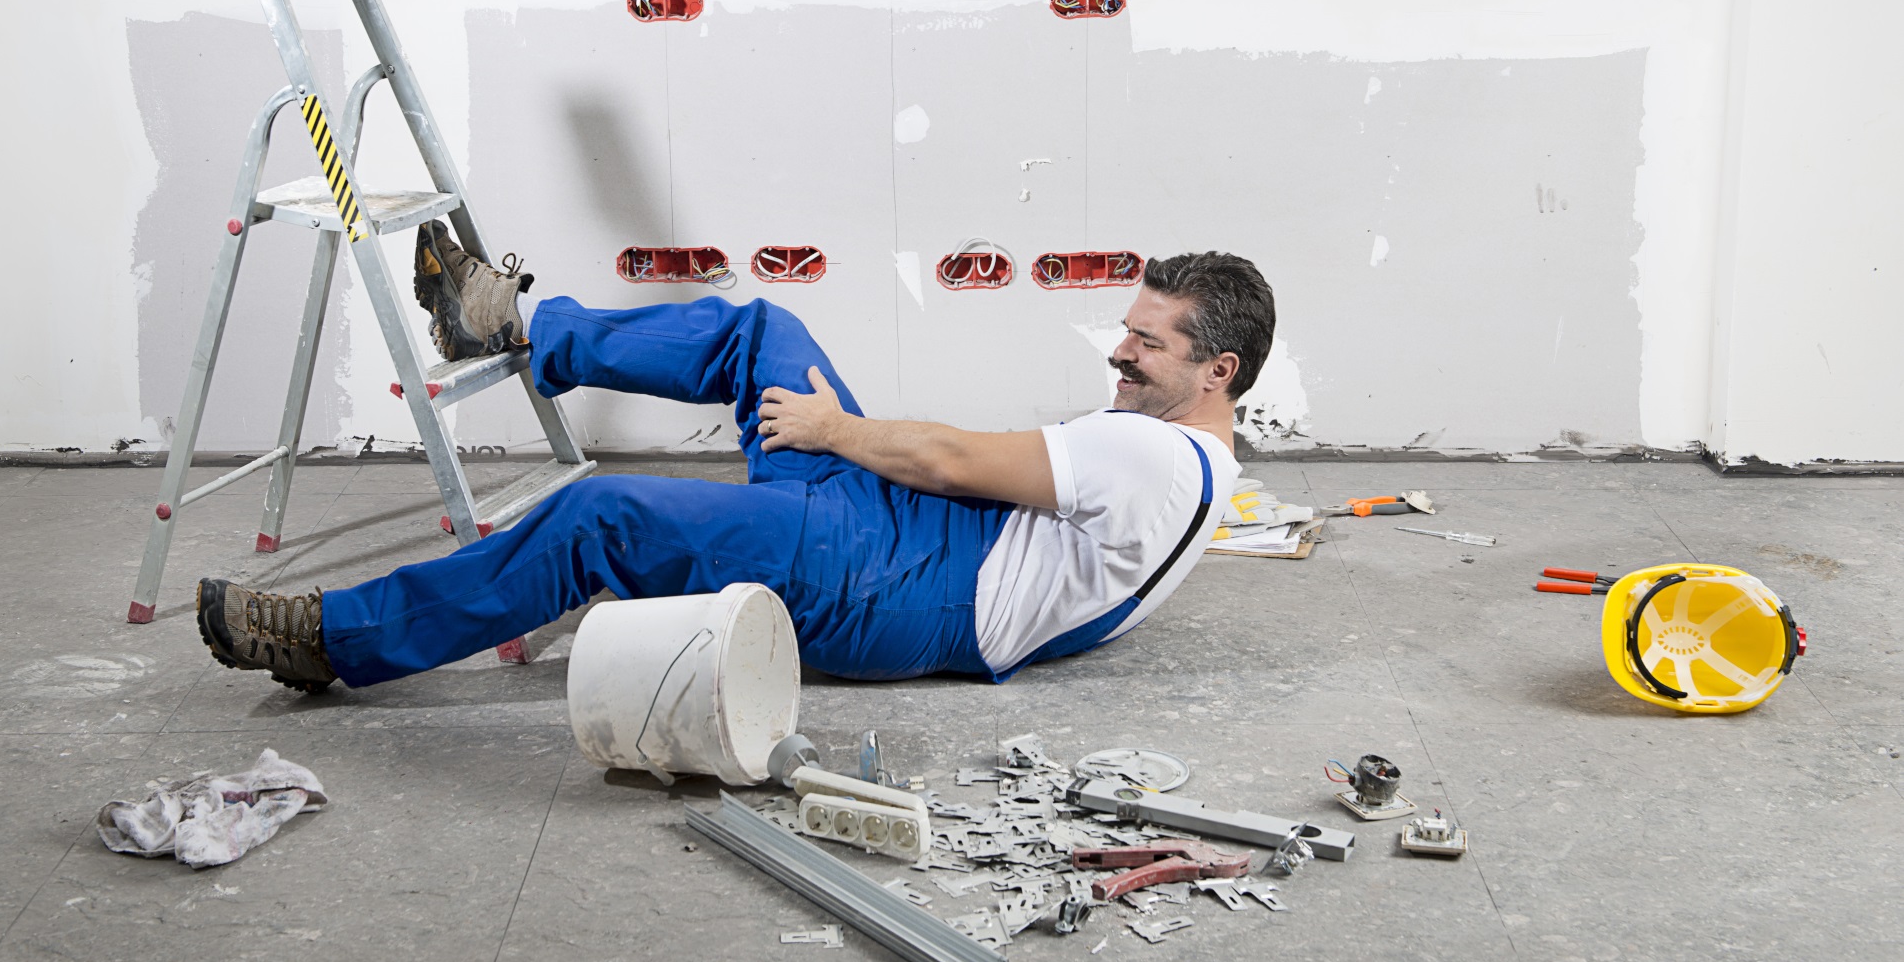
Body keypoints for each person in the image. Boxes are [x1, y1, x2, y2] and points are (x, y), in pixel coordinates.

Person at [195, 224, 1275, 693]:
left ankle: (334, 642)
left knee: (600, 518)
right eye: (1126, 330)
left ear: (1216, 369)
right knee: (766, 337)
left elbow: (951, 459)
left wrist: (837, 437)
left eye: (1147, 341)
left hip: (908, 593)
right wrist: (844, 445)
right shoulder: (1178, 449)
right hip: (916, 540)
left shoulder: (1156, 461)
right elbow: (961, 469)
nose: (1120, 352)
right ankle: (515, 325)